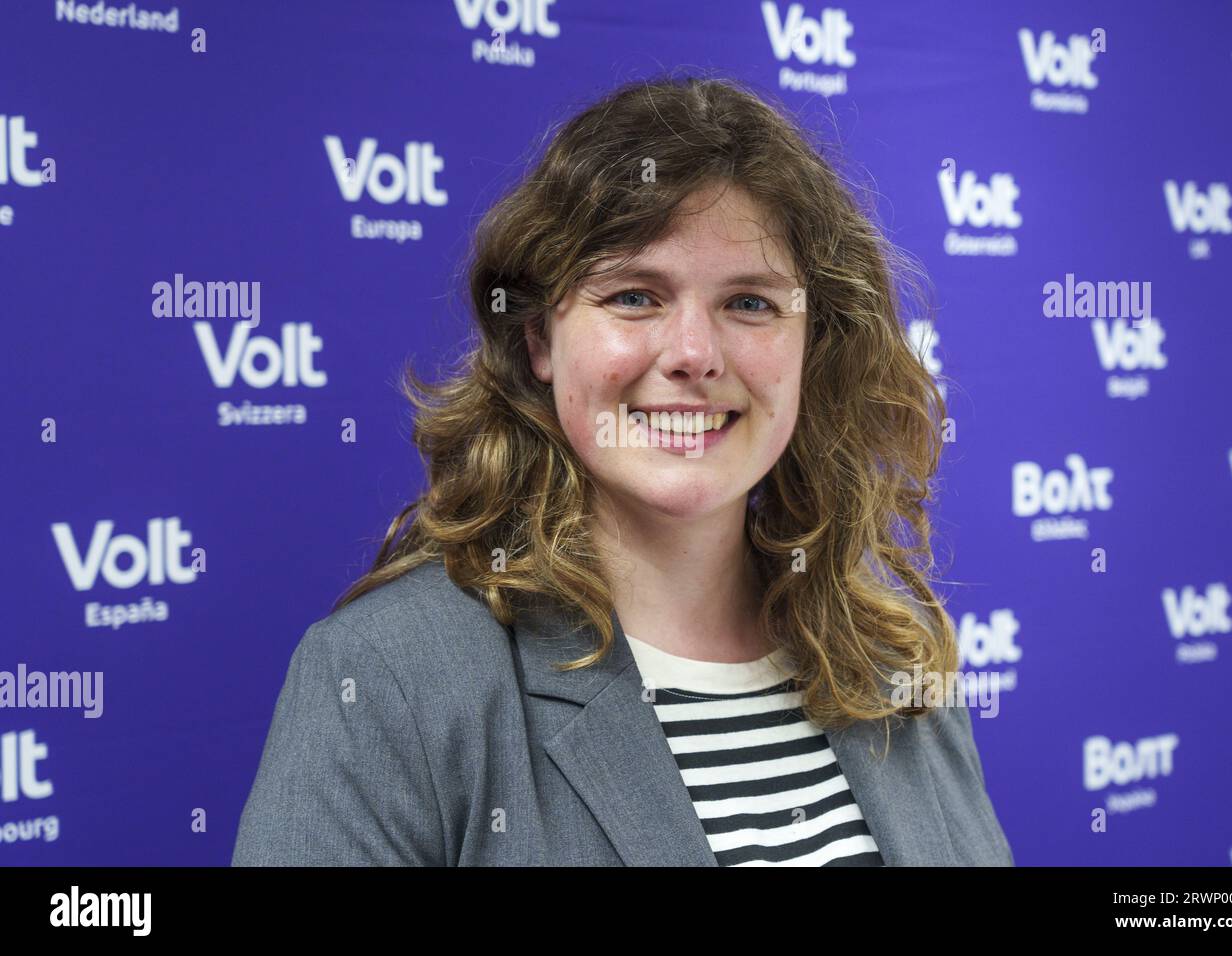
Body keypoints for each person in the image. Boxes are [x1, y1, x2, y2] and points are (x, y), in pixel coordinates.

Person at [231, 73, 1014, 867]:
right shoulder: (388, 679)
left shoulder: (895, 662)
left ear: (811, 346)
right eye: (636, 296)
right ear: (539, 339)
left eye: (750, 303)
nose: (695, 355)